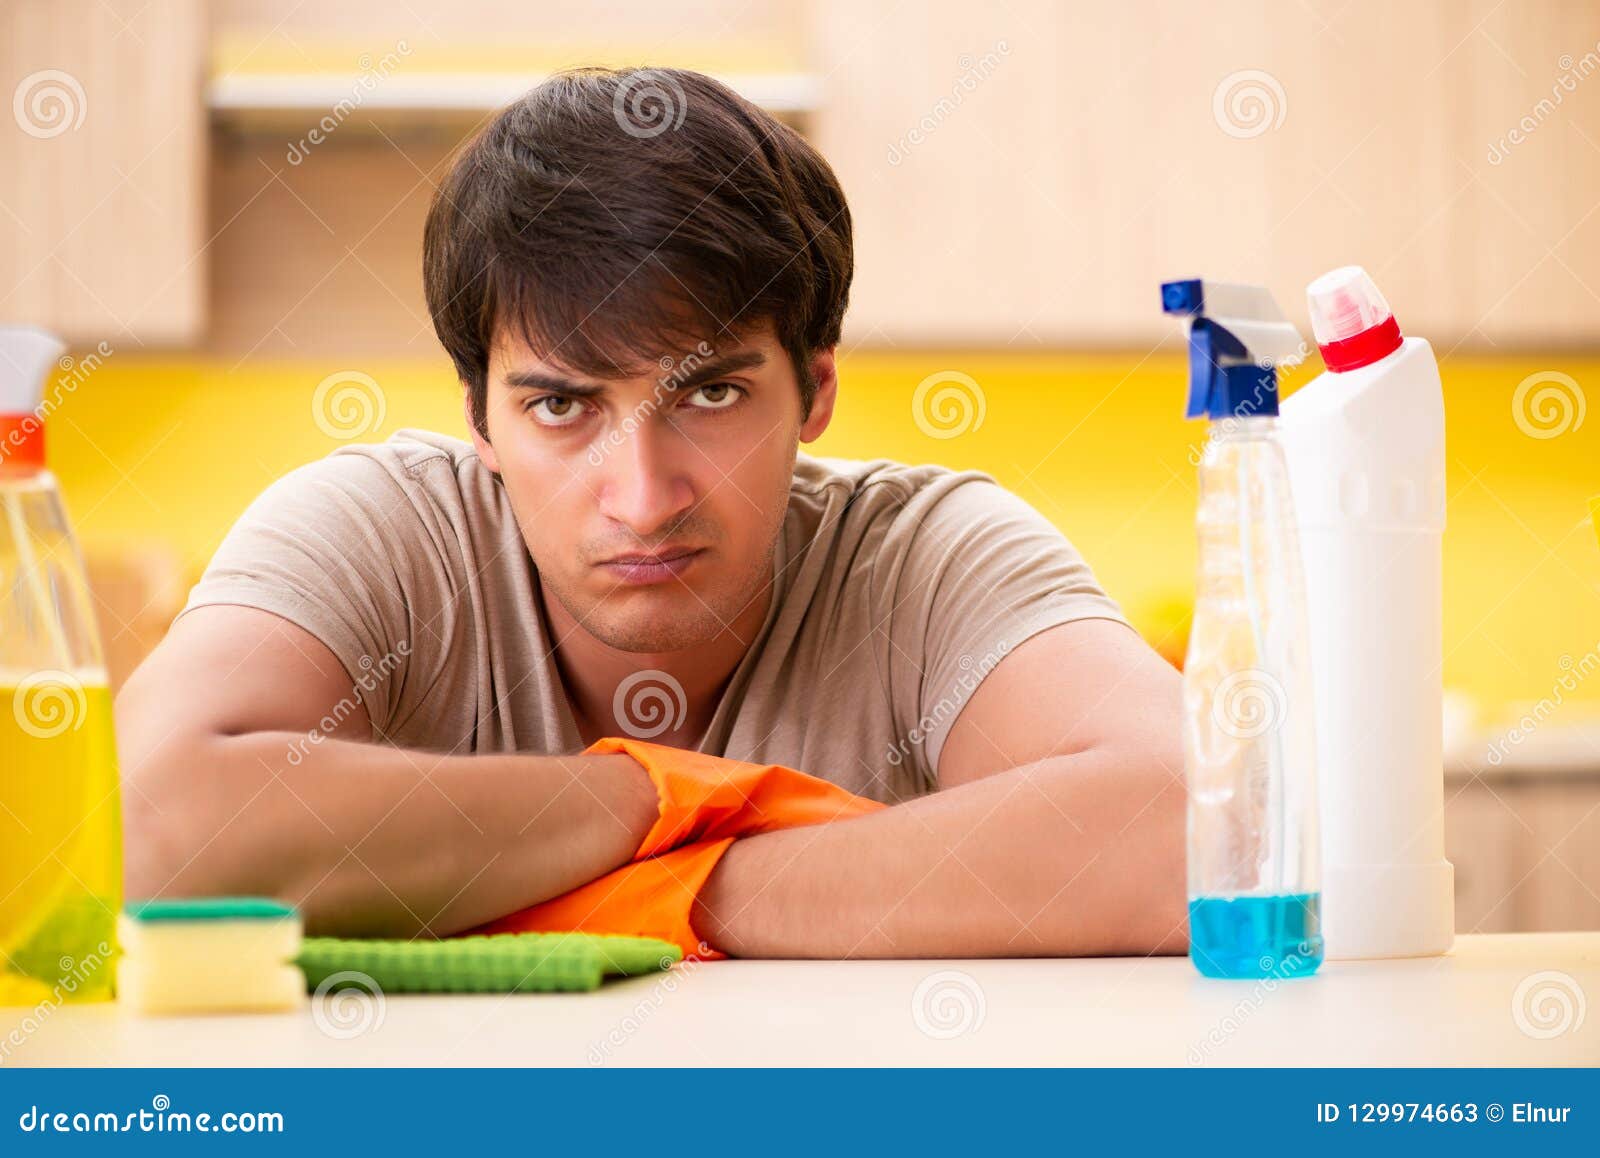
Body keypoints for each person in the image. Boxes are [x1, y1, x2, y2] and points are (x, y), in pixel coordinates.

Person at [117, 67, 1185, 958]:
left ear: (815, 392)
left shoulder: (919, 555)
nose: (642, 498)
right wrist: (658, 796)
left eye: (710, 394)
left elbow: (1208, 820)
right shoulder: (382, 533)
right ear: (479, 421)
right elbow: (146, 826)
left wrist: (671, 887)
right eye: (562, 406)